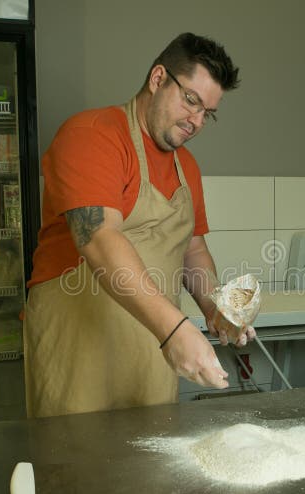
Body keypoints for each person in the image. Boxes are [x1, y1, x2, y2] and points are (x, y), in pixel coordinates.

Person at [24, 32, 254, 418]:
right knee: (73, 471)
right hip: (79, 349)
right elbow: (99, 237)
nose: (196, 121)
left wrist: (217, 308)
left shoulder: (188, 169)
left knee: (150, 471)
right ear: (158, 78)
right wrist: (175, 330)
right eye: (191, 100)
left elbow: (192, 249)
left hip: (152, 354)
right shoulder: (91, 135)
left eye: (207, 113)